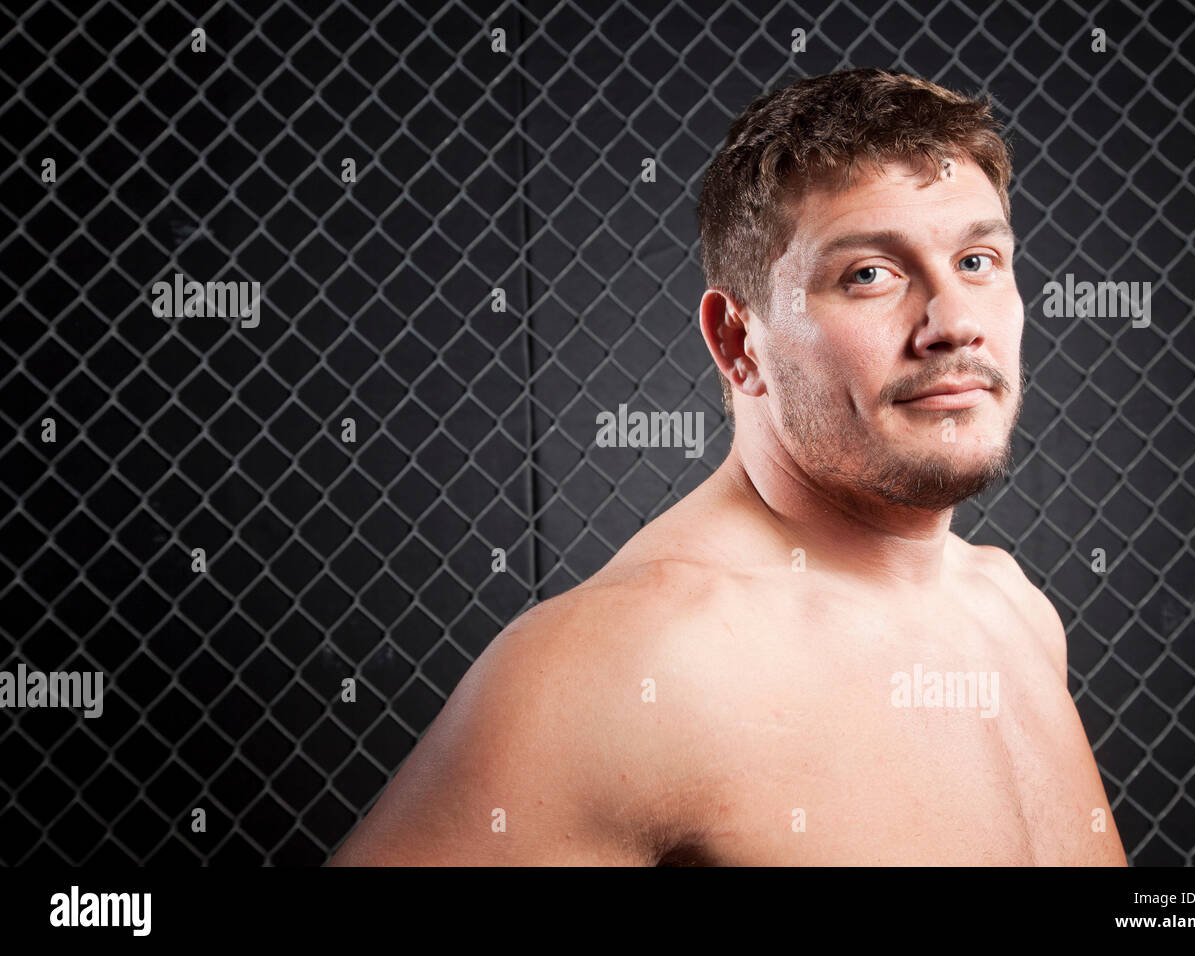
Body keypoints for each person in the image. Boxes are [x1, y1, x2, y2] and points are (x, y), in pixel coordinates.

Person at [329, 67, 1127, 866]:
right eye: (869, 275)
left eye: (979, 261)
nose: (954, 322)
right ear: (738, 343)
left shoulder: (1013, 610)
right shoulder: (628, 664)